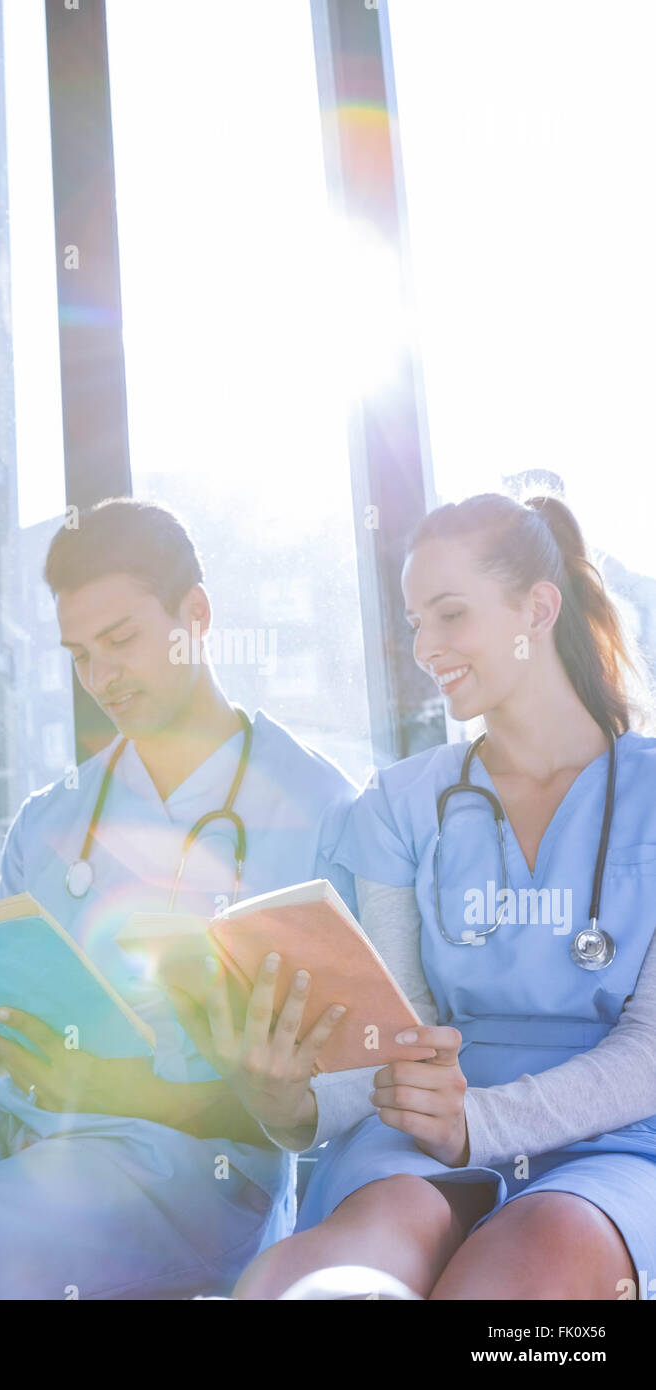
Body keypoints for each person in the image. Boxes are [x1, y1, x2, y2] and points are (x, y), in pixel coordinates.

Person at [0, 498, 357, 1300]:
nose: (101, 678)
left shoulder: (321, 809)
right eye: (80, 654)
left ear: (195, 614)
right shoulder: (54, 816)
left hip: (189, 1163)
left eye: (121, 640)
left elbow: (333, 1098)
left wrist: (108, 1086)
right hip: (14, 1114)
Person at [178, 493, 656, 1300]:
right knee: (317, 1276)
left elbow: (650, 1052)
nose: (425, 646)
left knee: (525, 1271)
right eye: (413, 623)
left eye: (450, 615)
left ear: (537, 609)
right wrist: (290, 1099)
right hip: (420, 1133)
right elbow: (394, 1037)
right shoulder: (401, 804)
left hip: (614, 1140)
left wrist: (484, 1123)